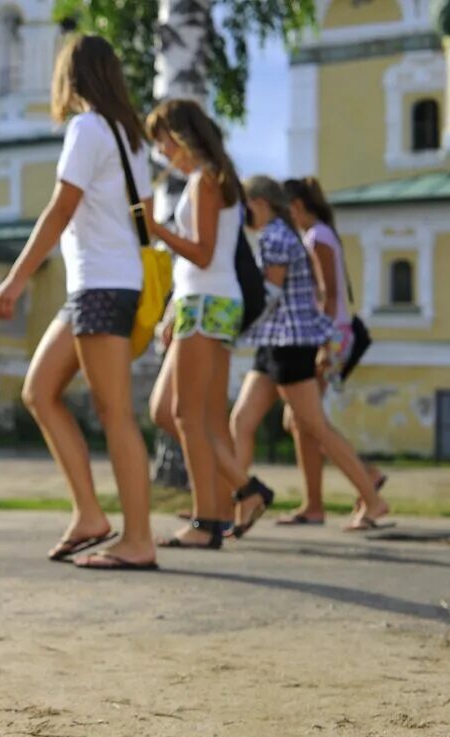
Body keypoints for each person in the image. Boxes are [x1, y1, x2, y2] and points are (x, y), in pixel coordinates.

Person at [0, 34, 156, 570]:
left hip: (101, 285)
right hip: (105, 284)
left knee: (115, 414)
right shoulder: (130, 138)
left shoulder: (87, 129)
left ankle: (138, 540)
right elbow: (146, 219)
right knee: (40, 391)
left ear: (71, 77)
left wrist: (15, 280)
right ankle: (90, 515)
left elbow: (60, 210)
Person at [143, 99, 272, 547]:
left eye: (162, 139)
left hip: (207, 304)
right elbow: (206, 258)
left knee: (184, 415)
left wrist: (156, 229)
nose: (160, 150)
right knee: (190, 415)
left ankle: (216, 514)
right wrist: (172, 309)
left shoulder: (204, 182)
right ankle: (228, 502)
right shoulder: (214, 180)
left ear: (181, 135)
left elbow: (200, 252)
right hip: (206, 303)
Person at [229, 175, 390, 532]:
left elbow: (269, 295)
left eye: (244, 205)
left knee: (314, 427)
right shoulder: (283, 235)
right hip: (273, 342)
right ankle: (241, 507)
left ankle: (373, 498)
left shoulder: (275, 236)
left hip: (292, 343)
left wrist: (229, 323)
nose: (241, 213)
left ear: (259, 202)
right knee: (241, 422)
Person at [279, 177, 385, 525]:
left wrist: (323, 342)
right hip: (330, 333)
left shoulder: (316, 237)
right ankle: (316, 503)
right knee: (302, 421)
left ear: (295, 206)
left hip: (330, 335)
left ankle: (364, 481)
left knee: (307, 420)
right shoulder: (321, 234)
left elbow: (330, 294)